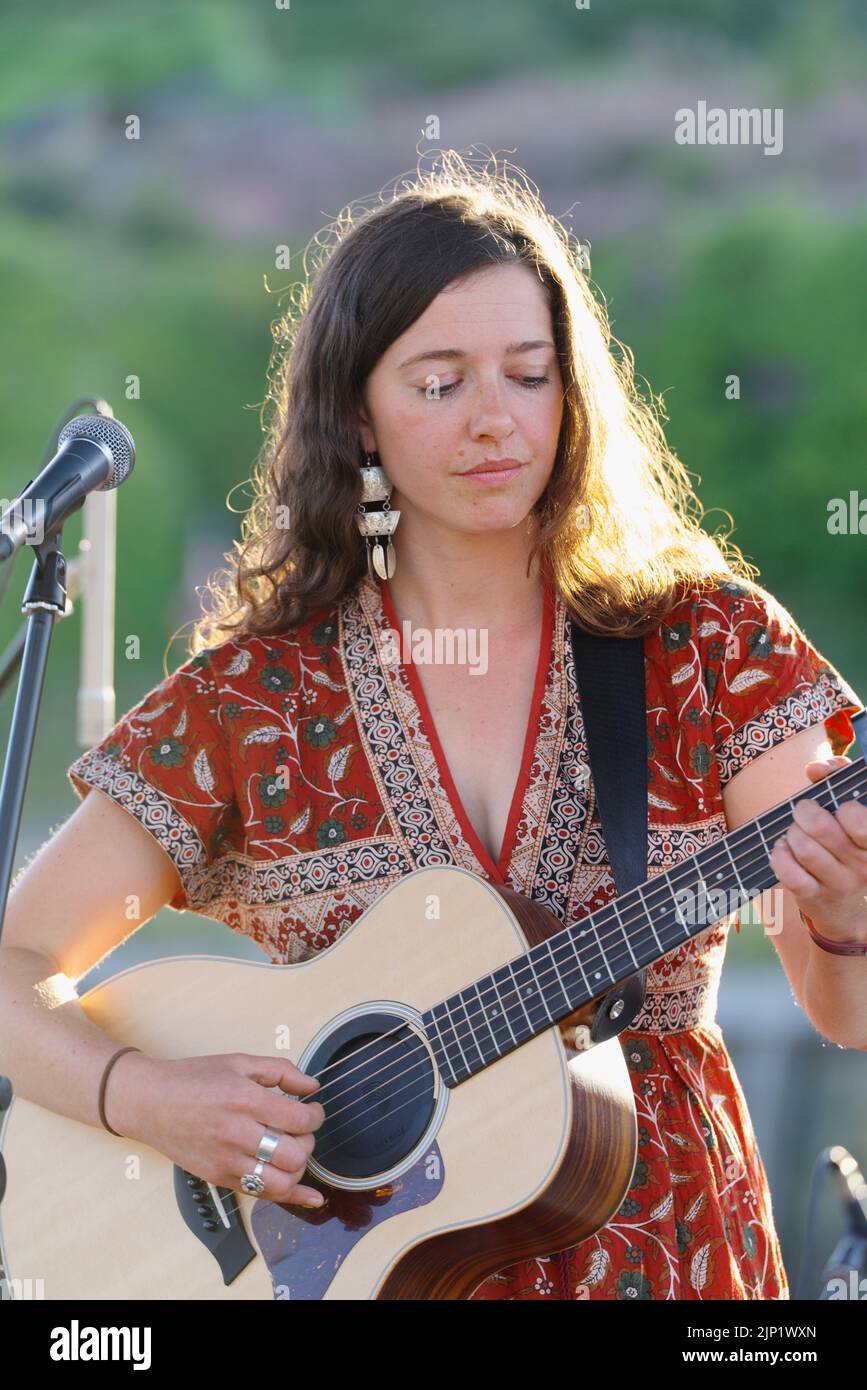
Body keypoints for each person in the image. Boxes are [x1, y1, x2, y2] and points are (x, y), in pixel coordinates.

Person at [2, 151, 866, 1302]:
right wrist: (146, 1096)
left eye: (528, 373)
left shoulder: (705, 644)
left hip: (669, 1253)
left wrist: (847, 913)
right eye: (439, 381)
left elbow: (841, 1012)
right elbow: (14, 968)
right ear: (355, 409)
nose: (495, 420)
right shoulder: (256, 701)